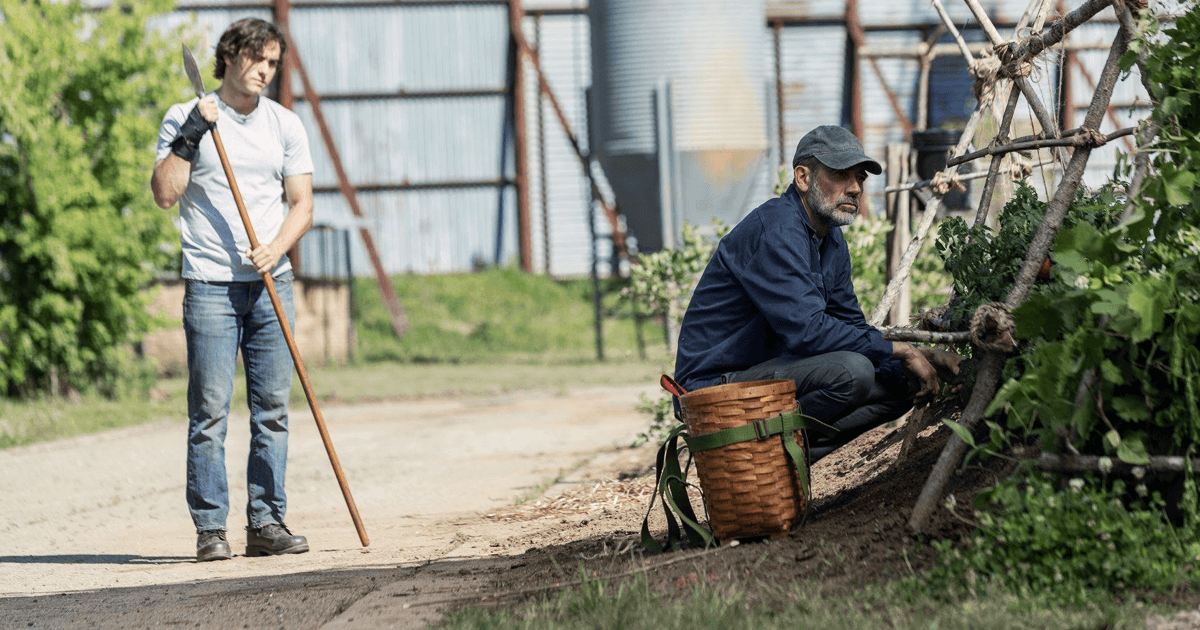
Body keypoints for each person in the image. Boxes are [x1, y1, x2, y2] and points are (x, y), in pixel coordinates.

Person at [673, 125, 961, 462]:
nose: (855, 188)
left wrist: (921, 356)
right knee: (852, 372)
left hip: (768, 373)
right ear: (803, 178)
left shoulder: (831, 240)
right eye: (840, 174)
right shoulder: (777, 230)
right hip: (712, 386)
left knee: (902, 381)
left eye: (860, 178)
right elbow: (808, 332)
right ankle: (766, 454)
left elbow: (850, 325)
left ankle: (789, 459)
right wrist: (901, 349)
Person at [151, 18, 313, 562]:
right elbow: (165, 194)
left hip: (271, 283)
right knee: (210, 412)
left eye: (273, 62)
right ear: (229, 57)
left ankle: (266, 523)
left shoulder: (285, 124)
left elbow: (303, 205)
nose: (265, 70)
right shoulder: (186, 115)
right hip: (210, 286)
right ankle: (210, 530)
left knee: (272, 410)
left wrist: (276, 247)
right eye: (257, 59)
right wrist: (192, 133)